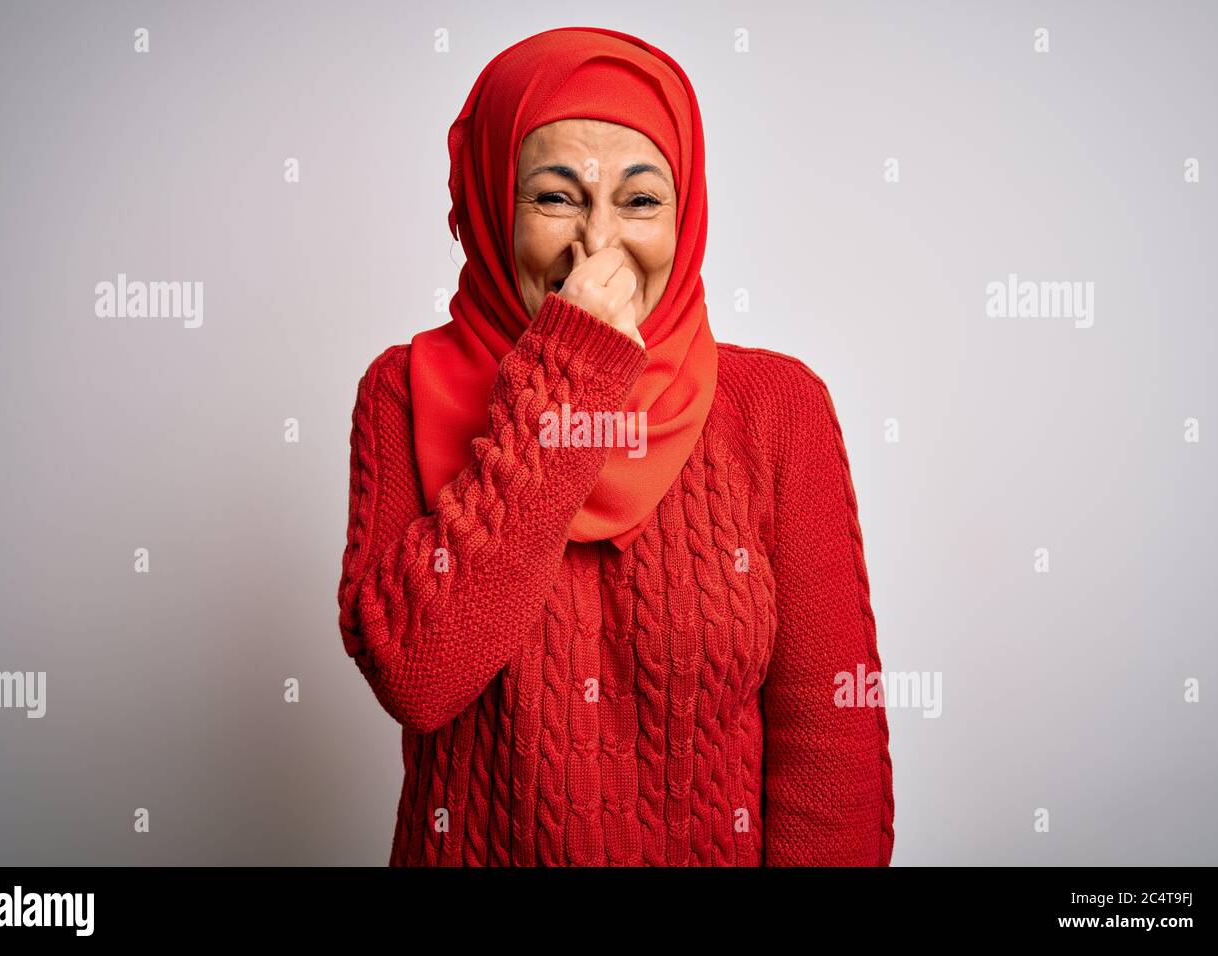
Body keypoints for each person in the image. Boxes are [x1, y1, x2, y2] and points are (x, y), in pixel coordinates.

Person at [337, 26, 894, 866]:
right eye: (555, 198)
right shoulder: (401, 393)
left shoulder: (778, 408)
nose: (598, 244)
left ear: (688, 213)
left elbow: (831, 748)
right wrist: (566, 379)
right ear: (491, 209)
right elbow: (420, 677)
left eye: (640, 201)